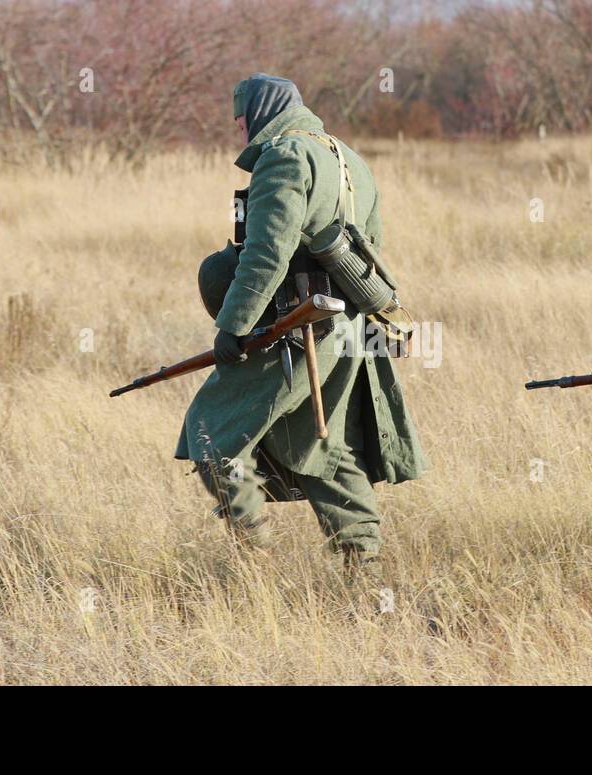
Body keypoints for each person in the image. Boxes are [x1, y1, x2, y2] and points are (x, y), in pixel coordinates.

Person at [174, 74, 428, 587]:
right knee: (326, 445)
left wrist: (234, 325)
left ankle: (255, 559)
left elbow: (266, 252)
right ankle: (364, 571)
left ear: (263, 109)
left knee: (213, 436)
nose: (238, 126)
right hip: (347, 327)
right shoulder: (348, 157)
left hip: (293, 326)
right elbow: (372, 245)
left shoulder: (284, 156)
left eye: (241, 115)